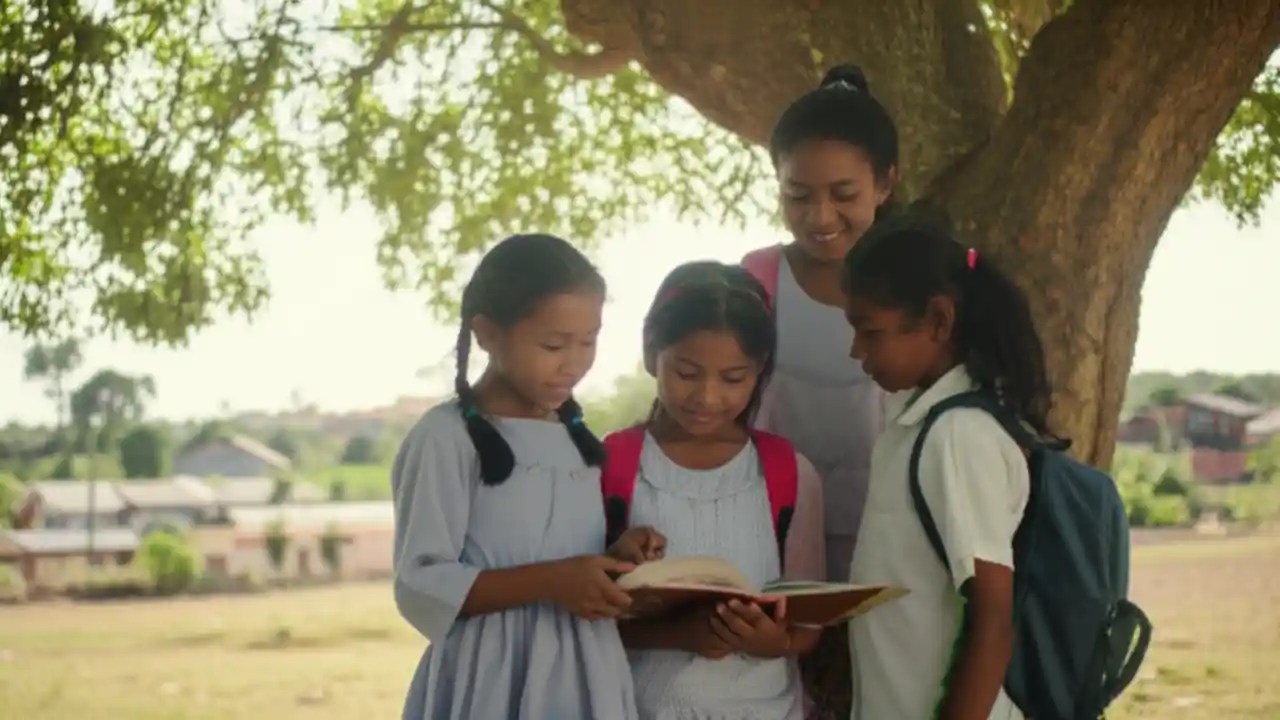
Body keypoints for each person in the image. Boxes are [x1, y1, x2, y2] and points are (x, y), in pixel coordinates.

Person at [391, 233, 661, 720]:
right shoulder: (446, 438)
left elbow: (557, 556)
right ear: (487, 334)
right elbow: (421, 584)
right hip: (491, 678)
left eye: (589, 341)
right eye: (554, 344)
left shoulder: (573, 437)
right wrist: (552, 581)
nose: (574, 363)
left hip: (584, 672)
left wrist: (611, 562)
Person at [742, 62, 900, 719]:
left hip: (891, 549)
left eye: (843, 193)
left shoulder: (920, 277)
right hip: (778, 552)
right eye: (798, 195)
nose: (821, 215)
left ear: (884, 184)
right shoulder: (756, 277)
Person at [844, 209, 1046, 719]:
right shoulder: (913, 425)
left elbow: (993, 619)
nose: (855, 350)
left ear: (938, 320)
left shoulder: (958, 436)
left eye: (870, 331)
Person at [606, 262, 826, 720]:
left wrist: (776, 643)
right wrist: (674, 633)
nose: (707, 398)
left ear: (760, 370)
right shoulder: (610, 467)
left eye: (732, 379)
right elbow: (574, 616)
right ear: (652, 353)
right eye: (687, 373)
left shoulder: (789, 474)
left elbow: (808, 622)